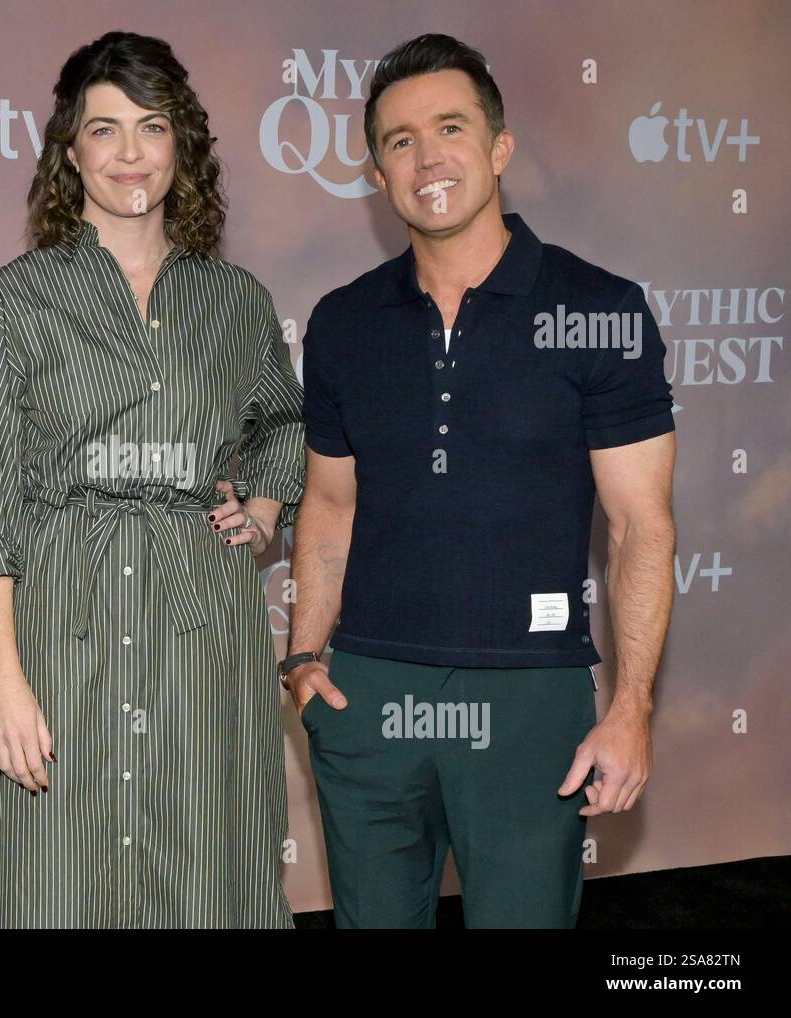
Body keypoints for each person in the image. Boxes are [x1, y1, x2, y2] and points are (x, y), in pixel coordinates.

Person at [0, 31, 305, 928]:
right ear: (70, 152)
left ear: (182, 145)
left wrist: (268, 502)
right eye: (104, 129)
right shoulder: (12, 303)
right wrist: (3, 676)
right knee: (59, 871)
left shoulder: (233, 300)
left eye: (152, 126)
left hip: (199, 627)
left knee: (205, 855)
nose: (130, 153)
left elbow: (286, 420)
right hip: (59, 627)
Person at [285, 33, 676, 928]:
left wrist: (630, 707)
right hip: (369, 694)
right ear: (378, 175)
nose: (427, 158)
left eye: (450, 127)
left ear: (499, 147)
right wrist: (306, 659)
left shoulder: (599, 310)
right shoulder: (344, 324)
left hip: (531, 695)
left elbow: (641, 526)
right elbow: (329, 504)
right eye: (398, 140)